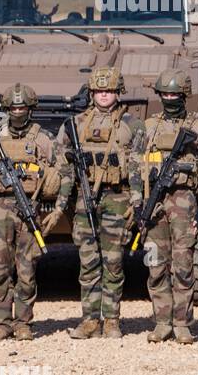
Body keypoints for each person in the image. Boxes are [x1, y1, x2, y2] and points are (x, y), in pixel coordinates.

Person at [0, 83, 72, 341]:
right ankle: (1, 322)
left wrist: (58, 210)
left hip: (30, 208)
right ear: (7, 109)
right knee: (0, 267)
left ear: (31, 109)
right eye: (13, 108)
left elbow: (65, 173)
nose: (18, 112)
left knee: (27, 269)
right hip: (1, 210)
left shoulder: (43, 139)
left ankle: (23, 322)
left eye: (22, 107)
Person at [60, 67, 145, 339]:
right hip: (86, 201)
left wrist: (137, 200)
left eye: (108, 90)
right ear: (92, 92)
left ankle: (111, 320)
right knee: (88, 262)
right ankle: (89, 320)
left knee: (113, 261)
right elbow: (61, 163)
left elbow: (139, 166)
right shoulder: (74, 125)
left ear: (118, 92)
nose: (104, 95)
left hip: (117, 199)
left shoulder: (132, 124)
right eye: (99, 91)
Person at [137, 70, 198, 344]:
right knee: (155, 265)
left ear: (183, 97)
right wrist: (137, 204)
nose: (170, 99)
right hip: (154, 207)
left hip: (184, 203)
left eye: (175, 95)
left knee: (183, 266)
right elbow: (135, 167)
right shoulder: (147, 127)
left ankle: (182, 323)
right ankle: (162, 322)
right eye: (165, 94)